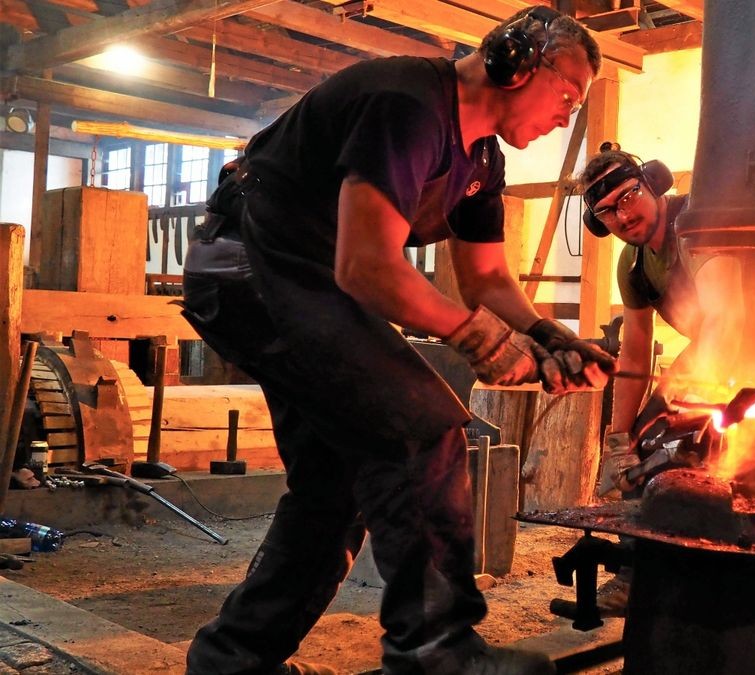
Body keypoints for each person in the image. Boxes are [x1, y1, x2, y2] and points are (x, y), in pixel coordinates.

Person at [180, 8, 613, 675]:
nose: (566, 115)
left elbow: (489, 276)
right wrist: (481, 341)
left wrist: (548, 334)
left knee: (333, 488)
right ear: (520, 60)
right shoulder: (408, 104)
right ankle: (435, 653)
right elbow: (367, 266)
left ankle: (231, 661)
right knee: (420, 423)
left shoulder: (482, 159)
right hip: (249, 265)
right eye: (567, 95)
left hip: (307, 276)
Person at [579, 144, 755, 488]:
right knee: (649, 440)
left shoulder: (700, 224)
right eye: (607, 212)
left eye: (628, 197)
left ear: (653, 183)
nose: (623, 217)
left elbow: (726, 317)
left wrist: (699, 400)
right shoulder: (632, 265)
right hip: (726, 349)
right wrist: (619, 442)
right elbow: (635, 352)